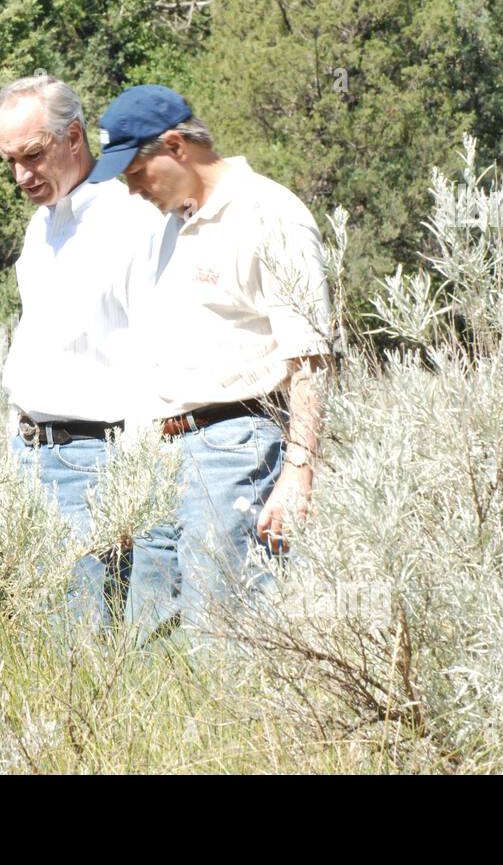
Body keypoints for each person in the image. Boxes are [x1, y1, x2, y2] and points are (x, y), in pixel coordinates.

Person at [87, 85, 334, 639]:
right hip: (164, 452)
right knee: (150, 638)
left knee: (224, 636)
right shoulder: (171, 225)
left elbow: (311, 357)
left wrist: (298, 472)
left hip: (238, 449)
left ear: (175, 146)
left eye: (136, 173)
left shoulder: (269, 213)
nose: (133, 190)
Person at [0, 74, 163, 630]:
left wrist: (132, 487)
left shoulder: (129, 218)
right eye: (10, 160)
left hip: (95, 462)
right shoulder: (42, 226)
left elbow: (152, 355)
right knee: (46, 652)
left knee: (87, 654)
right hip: (30, 459)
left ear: (74, 138)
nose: (22, 175)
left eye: (34, 156)